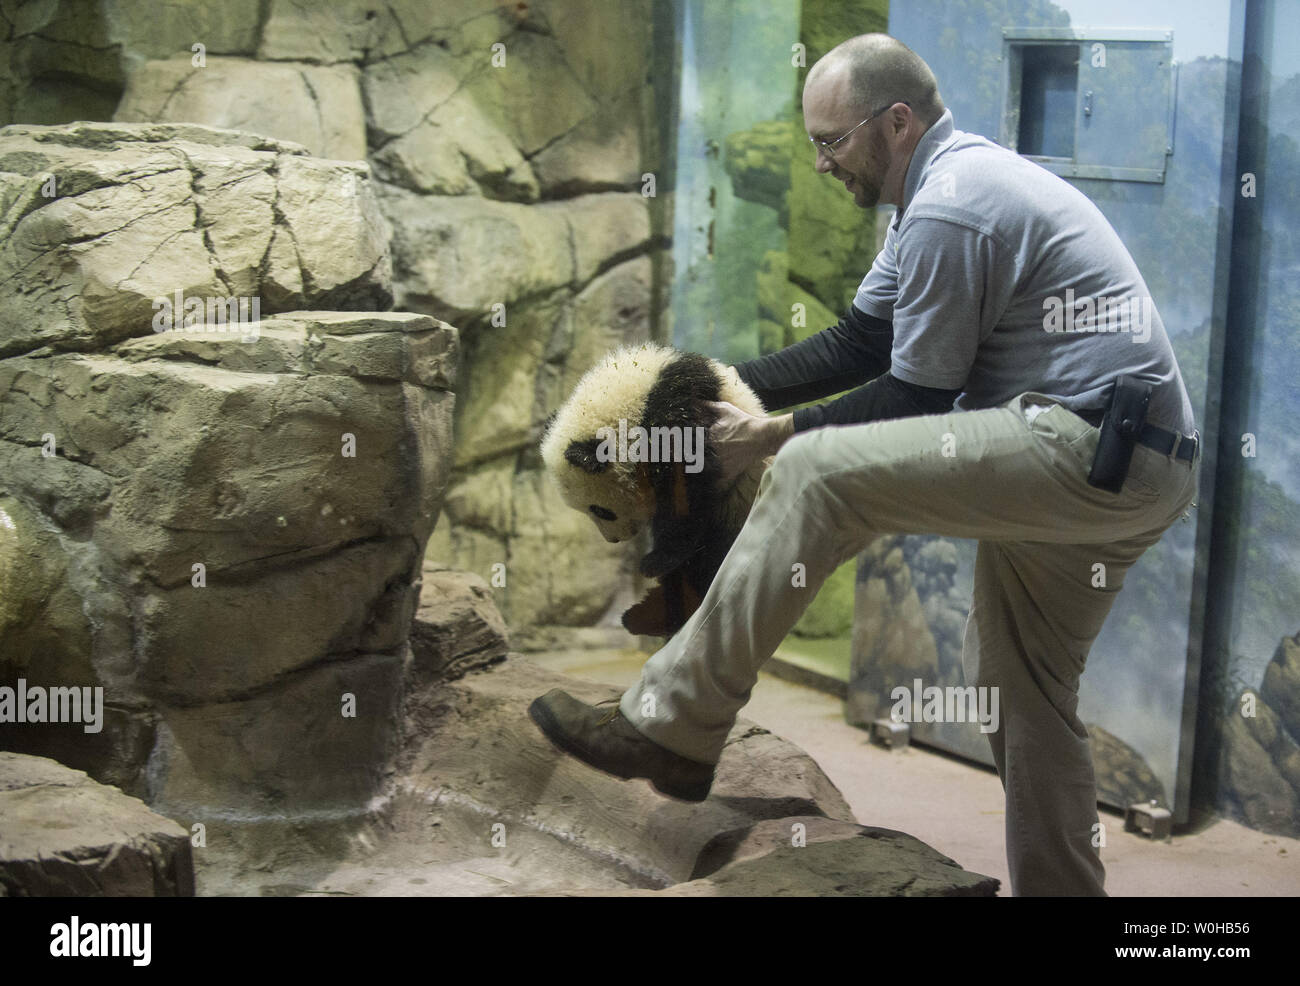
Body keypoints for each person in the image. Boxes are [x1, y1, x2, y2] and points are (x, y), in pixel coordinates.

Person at [529, 32, 1199, 896]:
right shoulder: (935, 196)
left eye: (830, 142)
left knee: (817, 470)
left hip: (1091, 448)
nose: (818, 164)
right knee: (1019, 688)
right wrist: (684, 391)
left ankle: (673, 726)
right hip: (1131, 466)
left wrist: (771, 437)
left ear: (896, 123)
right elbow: (859, 343)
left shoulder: (954, 206)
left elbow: (915, 398)